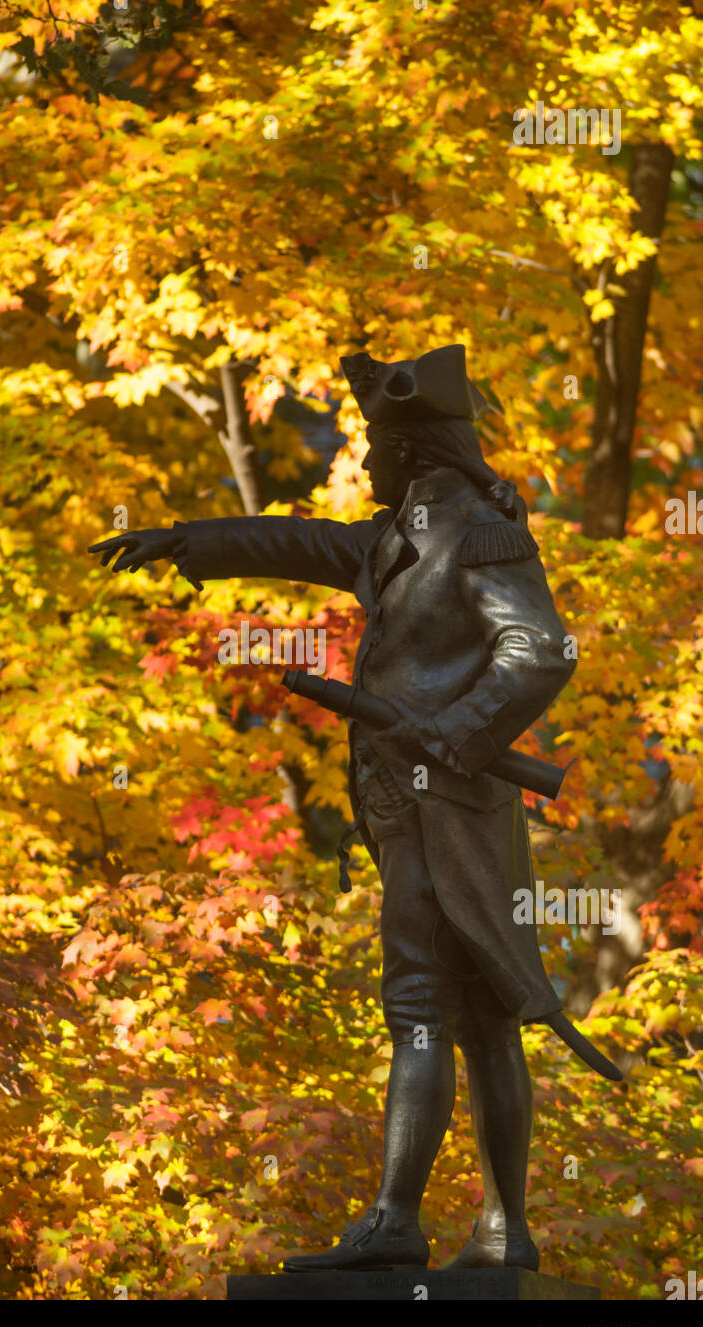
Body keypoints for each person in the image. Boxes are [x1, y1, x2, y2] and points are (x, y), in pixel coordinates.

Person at [89, 344, 618, 1273]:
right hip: (409, 807)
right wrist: (188, 540)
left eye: (374, 446)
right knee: (475, 1008)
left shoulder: (479, 534)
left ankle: (403, 1224)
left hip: (447, 803)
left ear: (412, 455)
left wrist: (456, 732)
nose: (364, 461)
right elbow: (298, 542)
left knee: (433, 1003)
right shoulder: (395, 539)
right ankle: (494, 1233)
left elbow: (539, 651)